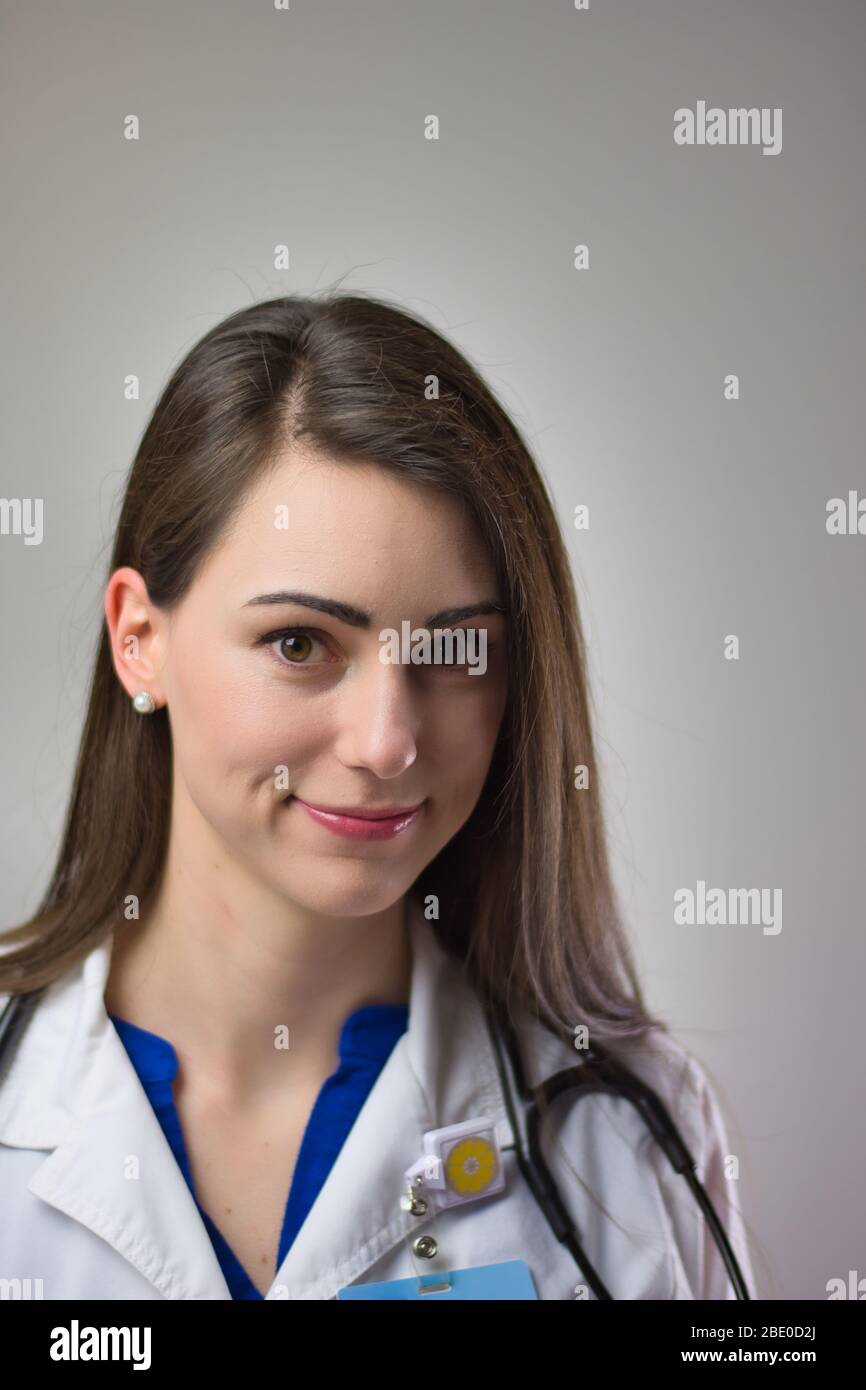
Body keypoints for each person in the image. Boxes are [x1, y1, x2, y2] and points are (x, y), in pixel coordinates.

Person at [0, 292, 756, 1300]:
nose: (387, 742)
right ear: (140, 639)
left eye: (451, 651)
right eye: (301, 644)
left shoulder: (630, 1132)